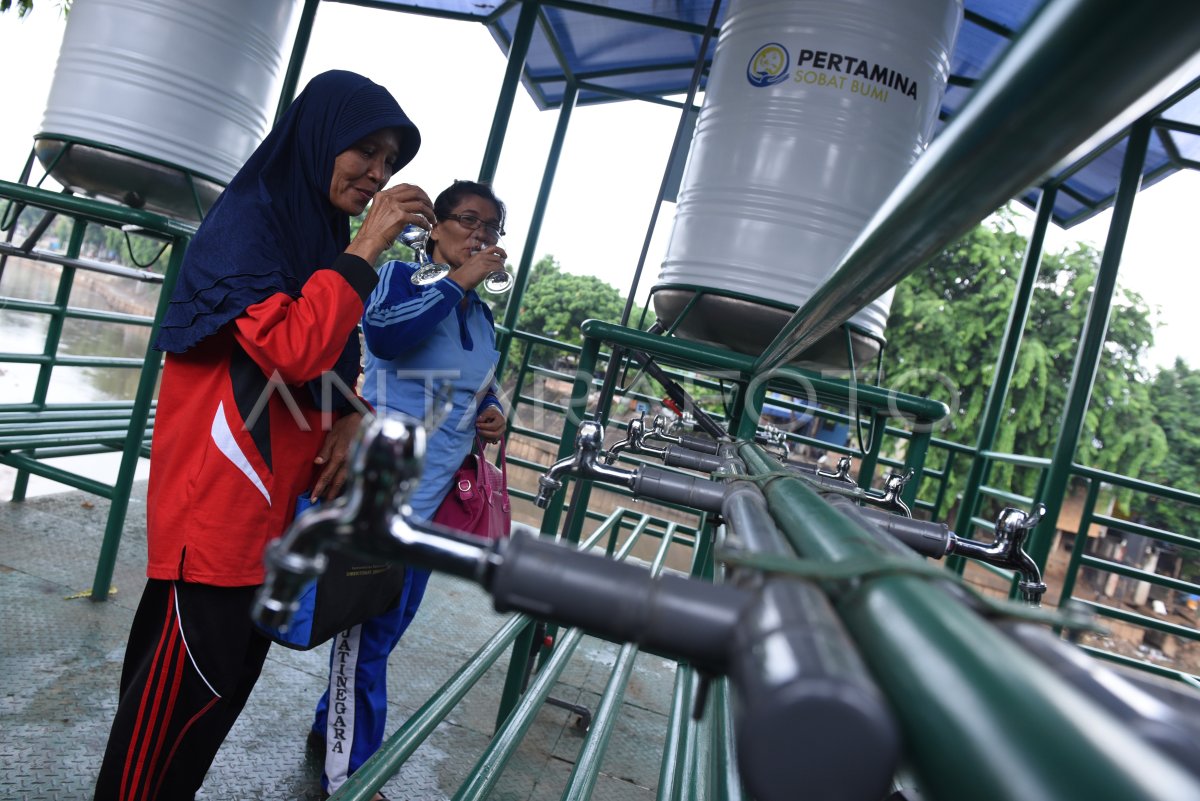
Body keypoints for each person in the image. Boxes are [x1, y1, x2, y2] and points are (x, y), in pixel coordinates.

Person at [93, 70, 433, 801]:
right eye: (365, 150)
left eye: (390, 162)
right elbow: (288, 348)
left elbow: (333, 361)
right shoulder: (250, 219)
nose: (377, 174)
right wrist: (370, 244)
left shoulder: (318, 232)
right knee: (161, 725)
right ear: (320, 136)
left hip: (270, 524)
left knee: (207, 713)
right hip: (219, 516)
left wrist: (351, 412)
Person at [309, 180, 509, 797]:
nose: (481, 235)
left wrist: (496, 413)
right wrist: (459, 279)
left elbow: (477, 385)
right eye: (468, 221)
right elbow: (389, 338)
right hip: (383, 491)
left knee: (382, 635)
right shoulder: (403, 280)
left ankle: (329, 728)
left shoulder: (481, 314)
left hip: (432, 508)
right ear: (437, 227)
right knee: (364, 642)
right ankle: (352, 776)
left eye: (492, 227)